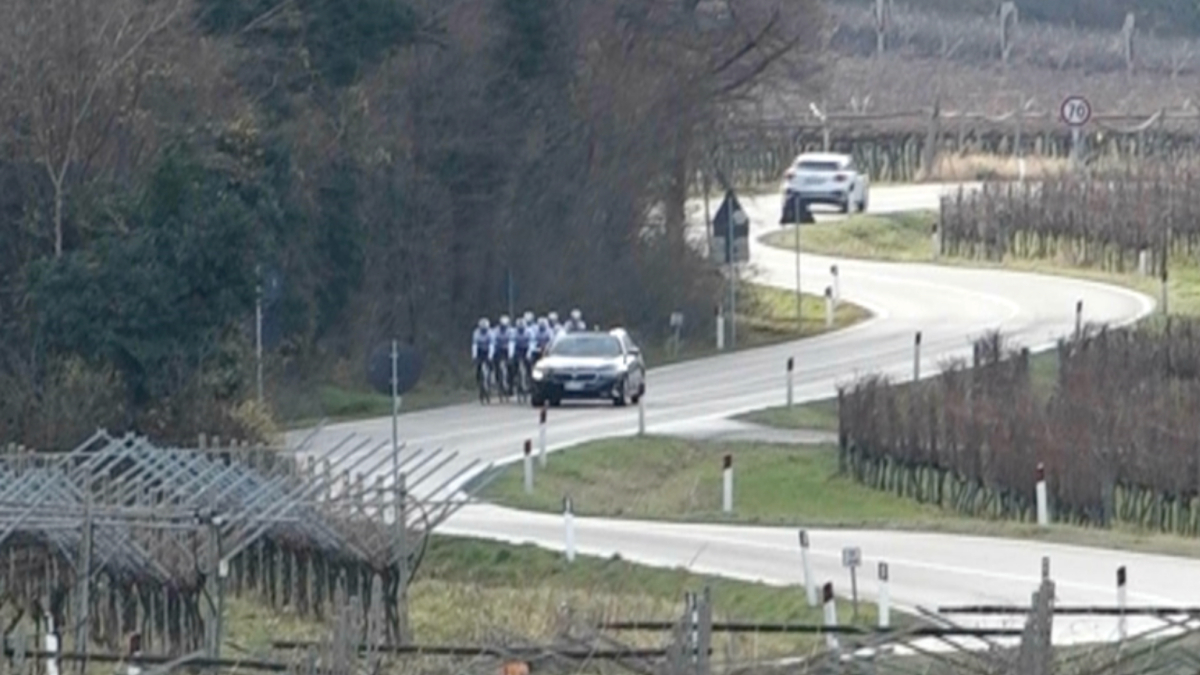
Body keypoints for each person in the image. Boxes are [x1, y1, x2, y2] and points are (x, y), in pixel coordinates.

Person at [492, 315, 516, 394]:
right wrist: (492, 353)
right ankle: (498, 381)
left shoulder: (511, 331)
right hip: (499, 350)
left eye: (505, 326)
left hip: (508, 350)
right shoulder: (496, 331)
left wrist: (510, 355)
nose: (503, 328)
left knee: (511, 368)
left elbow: (512, 343)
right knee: (496, 365)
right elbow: (493, 342)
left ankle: (511, 386)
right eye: (502, 326)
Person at [471, 318, 494, 388]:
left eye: (485, 330)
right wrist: (474, 355)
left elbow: (491, 345)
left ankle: (492, 377)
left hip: (487, 350)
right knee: (478, 367)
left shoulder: (490, 333)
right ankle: (479, 380)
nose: (484, 331)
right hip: (480, 350)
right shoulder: (476, 333)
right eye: (482, 330)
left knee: (490, 364)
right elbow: (474, 345)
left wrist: (490, 356)